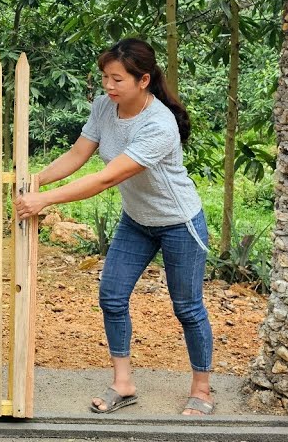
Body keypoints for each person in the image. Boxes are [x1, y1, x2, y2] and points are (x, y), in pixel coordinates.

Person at [16, 38, 214, 416]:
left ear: (143, 80)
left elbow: (107, 178)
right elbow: (78, 154)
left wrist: (46, 200)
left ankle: (202, 389)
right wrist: (36, 181)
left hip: (179, 222)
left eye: (117, 79)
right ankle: (123, 384)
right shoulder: (106, 107)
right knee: (111, 296)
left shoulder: (159, 124)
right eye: (105, 77)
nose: (108, 86)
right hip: (137, 221)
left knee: (187, 307)